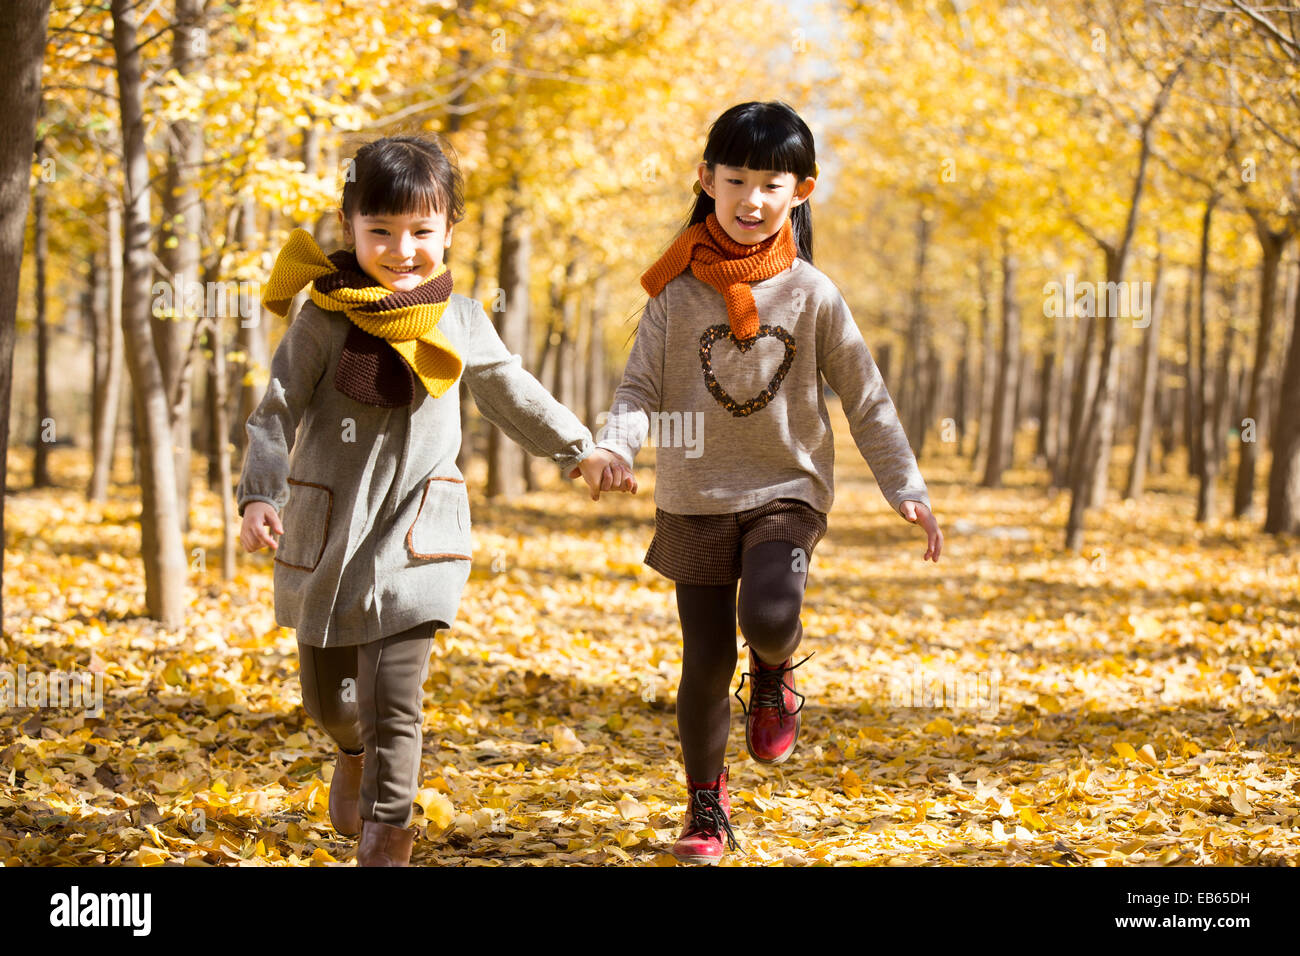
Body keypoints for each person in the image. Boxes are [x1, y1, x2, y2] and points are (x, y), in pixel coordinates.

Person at [236, 133, 630, 867]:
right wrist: (260, 494)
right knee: (334, 703)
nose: (401, 248)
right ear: (349, 224)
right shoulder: (322, 316)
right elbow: (276, 408)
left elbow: (512, 393)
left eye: (421, 231)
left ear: (449, 230)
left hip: (420, 535)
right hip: (329, 533)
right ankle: (349, 752)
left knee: (393, 695)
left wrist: (582, 450)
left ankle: (389, 836)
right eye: (380, 230)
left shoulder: (461, 318)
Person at [580, 102, 943, 864]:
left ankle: (774, 670)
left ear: (801, 191)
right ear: (705, 180)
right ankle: (706, 806)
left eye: (770, 184)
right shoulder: (674, 293)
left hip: (787, 486)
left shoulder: (813, 294)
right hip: (694, 496)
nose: (750, 200)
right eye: (734, 179)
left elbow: (866, 395)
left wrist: (905, 484)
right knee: (705, 661)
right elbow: (638, 389)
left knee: (771, 613)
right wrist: (614, 447)